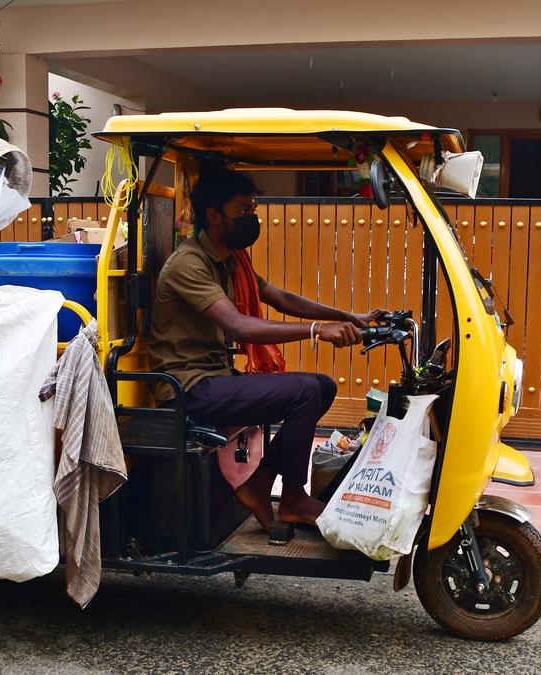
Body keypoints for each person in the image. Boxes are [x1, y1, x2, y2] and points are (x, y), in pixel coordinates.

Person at [148, 170, 383, 533]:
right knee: (304, 391)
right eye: (243, 210)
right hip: (189, 387)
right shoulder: (189, 264)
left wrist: (349, 316)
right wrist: (318, 331)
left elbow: (282, 298)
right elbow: (239, 326)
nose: (251, 218)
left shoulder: (231, 260)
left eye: (252, 208)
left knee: (322, 387)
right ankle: (292, 498)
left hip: (216, 378)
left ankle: (261, 484)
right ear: (214, 215)